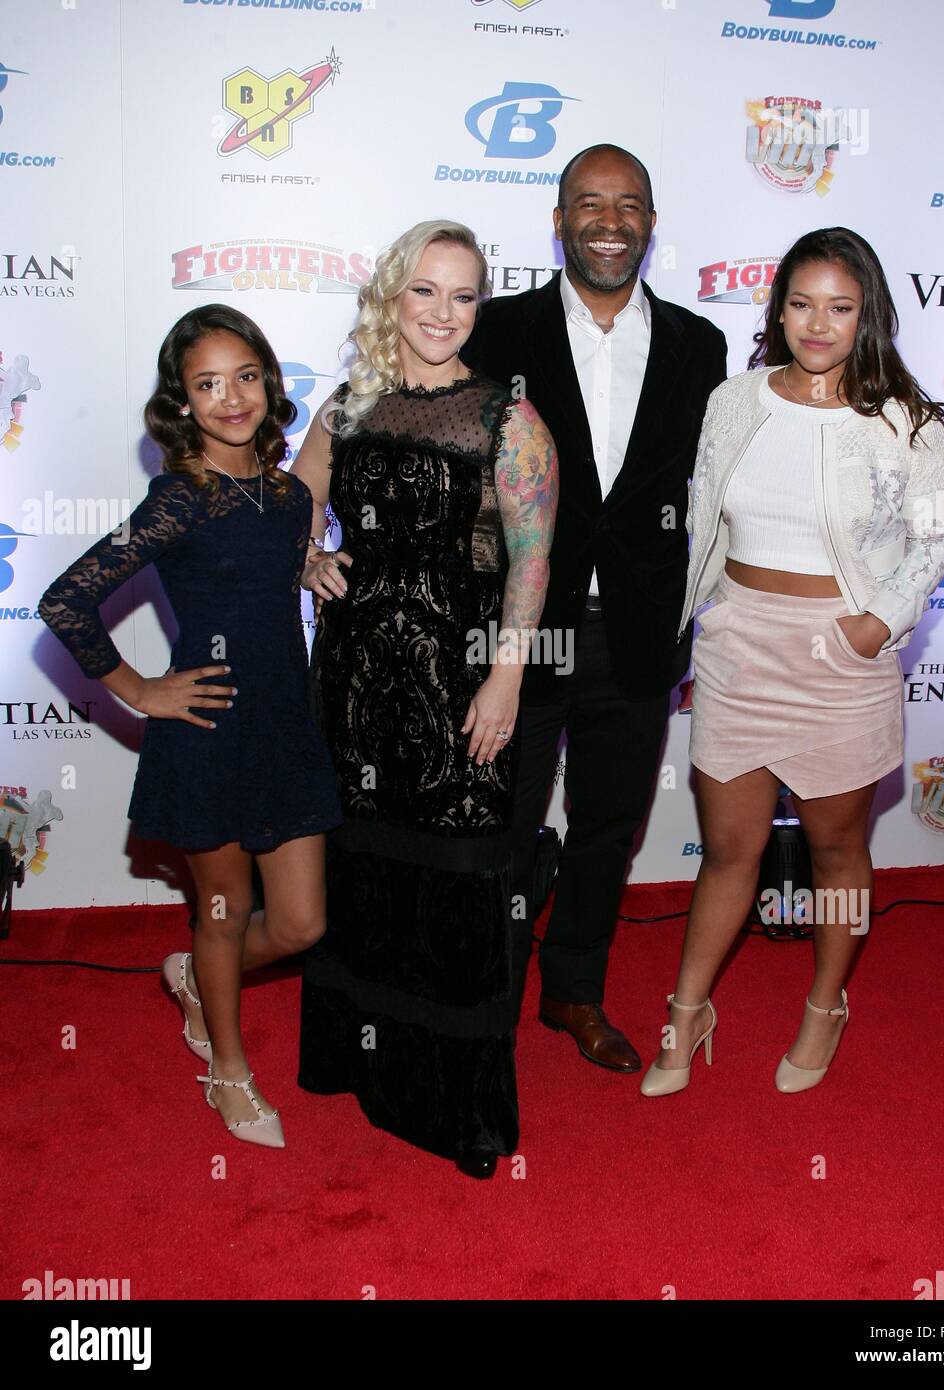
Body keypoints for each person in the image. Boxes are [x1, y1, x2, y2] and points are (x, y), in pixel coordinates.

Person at [640, 227, 944, 1099]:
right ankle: (686, 1011)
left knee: (836, 850)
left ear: (869, 316)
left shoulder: (906, 421)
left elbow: (935, 542)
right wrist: (692, 622)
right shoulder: (735, 400)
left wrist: (876, 623)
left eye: (841, 307)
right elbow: (704, 519)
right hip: (741, 644)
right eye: (801, 303)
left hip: (841, 656)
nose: (818, 324)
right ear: (778, 309)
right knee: (730, 850)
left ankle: (826, 1004)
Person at [39, 305, 342, 1148]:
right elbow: (64, 599)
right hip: (208, 732)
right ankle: (231, 1073)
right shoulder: (178, 499)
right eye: (207, 384)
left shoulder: (285, 495)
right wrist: (140, 688)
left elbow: (268, 564)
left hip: (285, 724)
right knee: (221, 911)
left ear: (268, 384)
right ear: (182, 402)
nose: (231, 397)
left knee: (301, 924)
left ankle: (191, 981)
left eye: (245, 376)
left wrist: (309, 564)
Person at [292, 221, 558, 1179]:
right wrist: (311, 557)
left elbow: (531, 561)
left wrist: (506, 678)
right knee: (362, 867)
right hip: (358, 676)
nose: (445, 314)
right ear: (392, 297)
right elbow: (295, 501)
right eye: (426, 292)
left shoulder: (506, 419)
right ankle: (363, 1069)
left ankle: (458, 1109)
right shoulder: (349, 408)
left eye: (465, 296)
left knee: (460, 875)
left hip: (461, 681)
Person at [460, 144, 728, 1072]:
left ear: (651, 222)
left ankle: (573, 993)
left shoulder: (701, 346)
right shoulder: (495, 330)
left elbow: (709, 486)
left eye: (628, 204)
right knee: (500, 826)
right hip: (524, 629)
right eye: (588, 203)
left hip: (643, 632)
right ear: (560, 218)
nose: (608, 221)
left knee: (609, 828)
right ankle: (483, 1003)